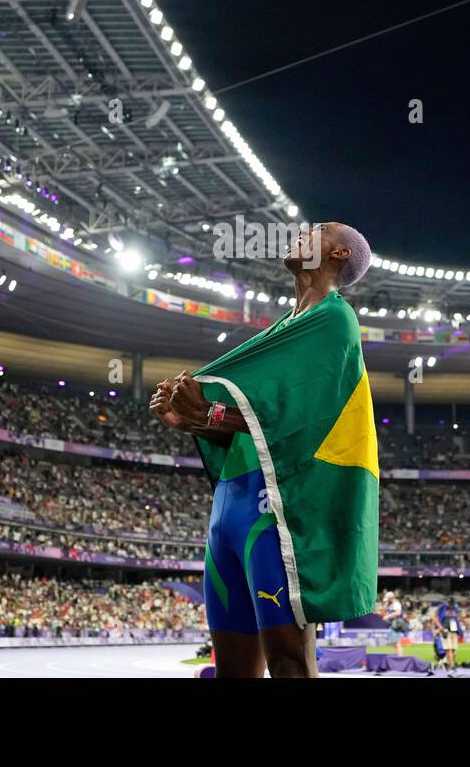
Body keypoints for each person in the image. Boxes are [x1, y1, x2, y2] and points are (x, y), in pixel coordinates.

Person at [150, 221, 376, 678]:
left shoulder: (335, 321)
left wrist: (209, 413)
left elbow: (302, 427)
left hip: (275, 514)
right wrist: (193, 419)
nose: (303, 232)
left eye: (320, 231)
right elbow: (249, 430)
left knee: (290, 664)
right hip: (228, 513)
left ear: (338, 255)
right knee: (233, 672)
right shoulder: (276, 335)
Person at [433, 597, 462, 670]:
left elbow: (457, 618)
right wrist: (440, 628)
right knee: (448, 649)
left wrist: (459, 630)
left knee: (453, 649)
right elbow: (435, 618)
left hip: (454, 631)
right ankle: (452, 666)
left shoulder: (455, 608)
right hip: (445, 631)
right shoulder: (442, 608)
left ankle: (445, 662)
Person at [381, 591, 407, 656]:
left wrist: (387, 616)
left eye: (388, 599)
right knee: (394, 643)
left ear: (391, 598)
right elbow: (383, 609)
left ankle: (399, 657)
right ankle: (397, 656)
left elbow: (397, 613)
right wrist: (386, 603)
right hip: (392, 624)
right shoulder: (391, 604)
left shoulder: (396, 603)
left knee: (396, 643)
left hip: (396, 624)